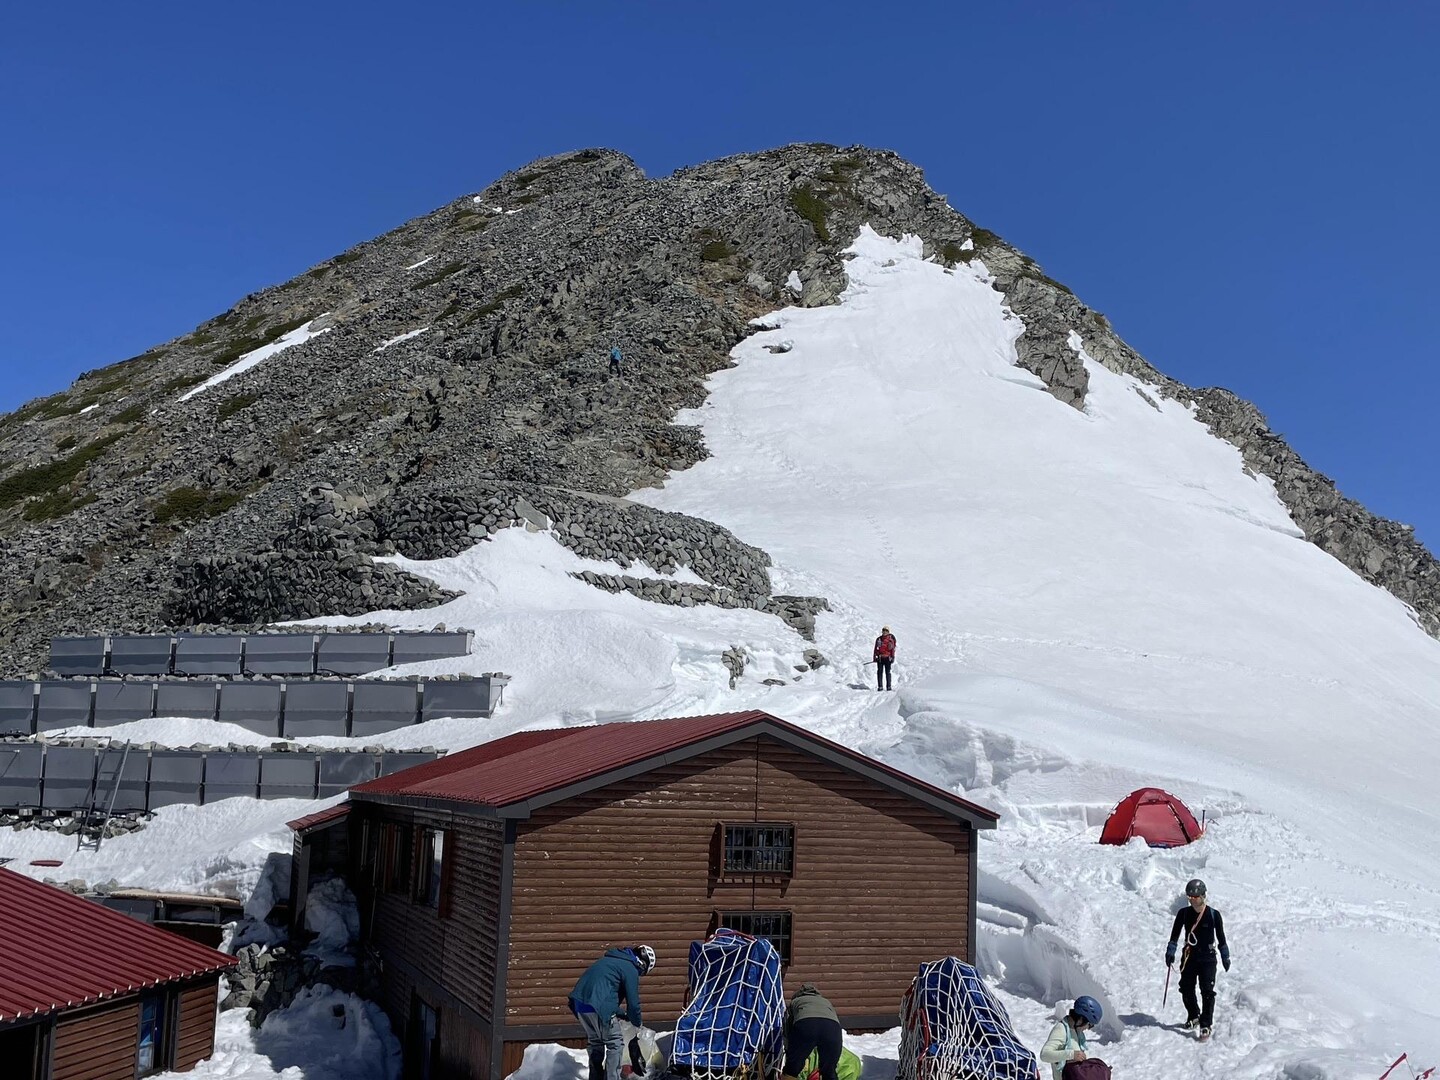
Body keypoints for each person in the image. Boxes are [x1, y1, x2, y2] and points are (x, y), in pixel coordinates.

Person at [570, 945, 656, 1080]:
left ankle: (595, 1077)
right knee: (615, 1044)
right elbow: (633, 1004)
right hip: (598, 1006)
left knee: (596, 1042)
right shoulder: (630, 967)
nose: (639, 974)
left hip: (580, 1005)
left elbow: (603, 994)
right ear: (643, 964)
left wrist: (622, 1014)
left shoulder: (609, 960)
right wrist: (637, 1024)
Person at [1165, 878, 1230, 1041]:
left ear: (1203, 896)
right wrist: (1170, 951)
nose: (1192, 900)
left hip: (1208, 958)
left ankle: (1206, 1024)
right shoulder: (1183, 913)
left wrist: (1225, 956)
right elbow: (1174, 935)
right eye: (1190, 897)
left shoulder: (1214, 915)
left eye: (1195, 897)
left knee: (1207, 991)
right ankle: (1194, 1015)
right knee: (1186, 988)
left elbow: (1221, 938)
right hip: (1190, 956)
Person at [783, 983, 843, 1080]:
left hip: (806, 1024)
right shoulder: (826, 1001)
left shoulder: (796, 1001)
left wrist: (789, 1048)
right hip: (832, 1028)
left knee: (793, 1066)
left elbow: (789, 1026)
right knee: (829, 1069)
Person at [1038, 996, 1102, 1080]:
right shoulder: (1061, 1030)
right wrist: (1071, 1055)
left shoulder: (1077, 1032)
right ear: (1081, 1019)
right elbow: (1044, 1055)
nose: (1088, 1028)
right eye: (1089, 1025)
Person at [872, 626, 896, 690]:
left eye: (886, 631)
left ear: (888, 632)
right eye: (883, 630)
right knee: (879, 672)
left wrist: (893, 657)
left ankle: (888, 686)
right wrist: (874, 657)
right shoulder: (879, 639)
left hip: (888, 658)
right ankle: (880, 686)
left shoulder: (890, 640)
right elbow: (875, 649)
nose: (884, 632)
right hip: (880, 658)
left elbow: (892, 650)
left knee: (887, 672)